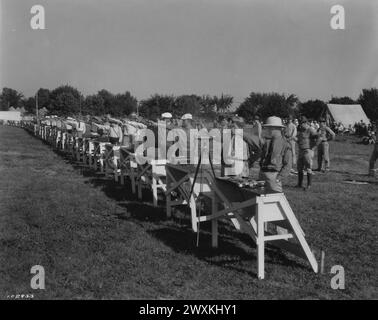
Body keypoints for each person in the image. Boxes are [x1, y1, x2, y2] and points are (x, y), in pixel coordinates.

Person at [259, 116, 292, 193]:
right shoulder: (267, 142)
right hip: (263, 173)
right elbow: (263, 157)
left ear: (275, 128)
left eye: (268, 128)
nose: (267, 130)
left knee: (275, 199)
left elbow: (288, 163)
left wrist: (279, 177)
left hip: (274, 175)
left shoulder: (285, 143)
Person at [296, 116, 320, 190]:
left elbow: (319, 137)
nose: (300, 125)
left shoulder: (310, 129)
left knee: (308, 168)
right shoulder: (301, 130)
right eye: (300, 123)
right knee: (299, 168)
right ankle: (299, 184)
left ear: (305, 122)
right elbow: (299, 139)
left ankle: (309, 185)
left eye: (301, 123)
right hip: (301, 150)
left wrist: (314, 147)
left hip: (308, 150)